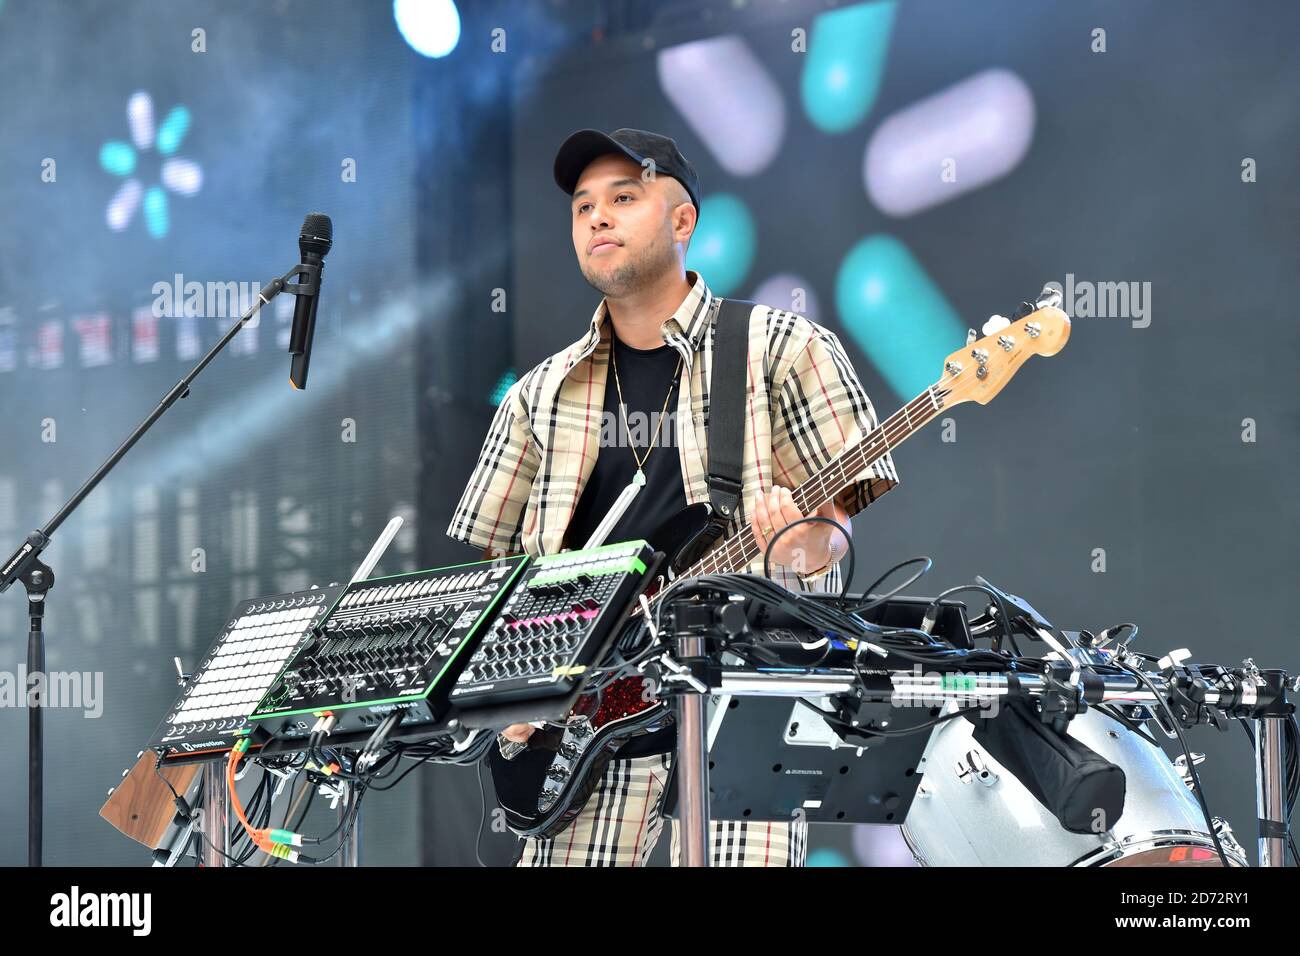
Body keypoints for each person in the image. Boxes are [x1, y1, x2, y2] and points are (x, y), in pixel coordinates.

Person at [447, 128, 899, 866]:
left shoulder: (783, 348)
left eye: (623, 198)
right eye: (582, 205)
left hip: (739, 702)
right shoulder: (539, 393)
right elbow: (492, 577)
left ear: (682, 221)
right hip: (584, 723)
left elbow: (831, 537)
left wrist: (803, 542)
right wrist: (512, 710)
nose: (596, 217)